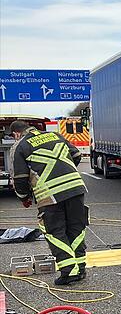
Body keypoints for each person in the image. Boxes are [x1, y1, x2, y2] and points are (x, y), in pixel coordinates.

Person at [10, 120, 88, 286]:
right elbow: (76, 155)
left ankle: (69, 271)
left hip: (50, 194)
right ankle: (80, 267)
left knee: (54, 230)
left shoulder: (21, 146)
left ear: (16, 133)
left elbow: (20, 177)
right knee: (76, 227)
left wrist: (24, 197)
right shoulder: (55, 135)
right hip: (75, 187)